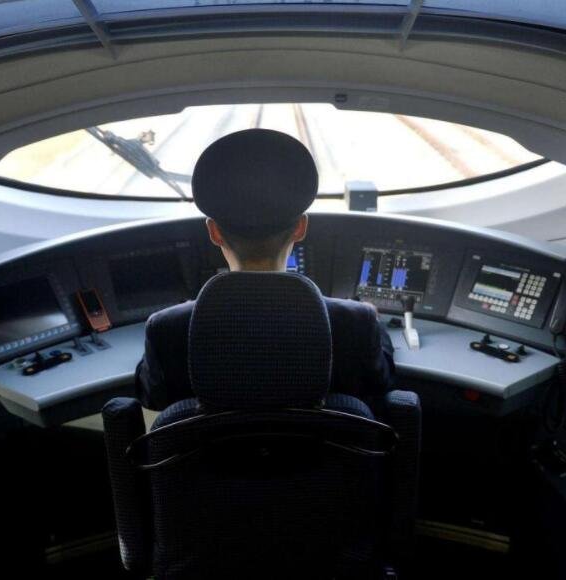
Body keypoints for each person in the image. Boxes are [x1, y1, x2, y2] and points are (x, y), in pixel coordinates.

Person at [135, 128, 395, 413]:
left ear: (214, 232)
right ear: (301, 228)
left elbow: (152, 397)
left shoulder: (168, 328)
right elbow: (380, 384)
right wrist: (374, 322)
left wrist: (190, 310)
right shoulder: (355, 323)